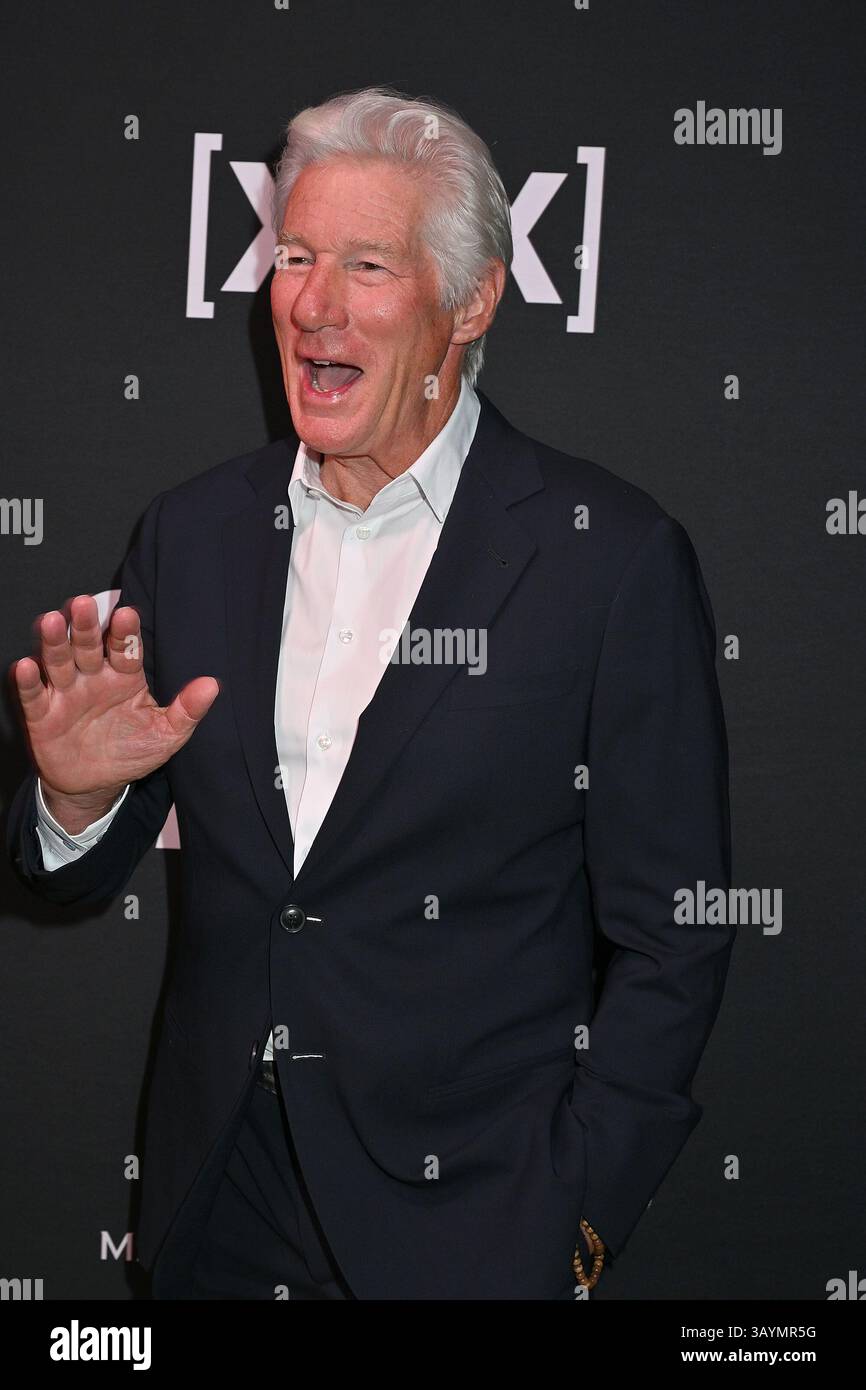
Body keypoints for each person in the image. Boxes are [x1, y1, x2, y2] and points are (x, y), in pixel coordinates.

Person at [6, 86, 734, 1300]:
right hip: (216, 1205)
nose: (313, 303)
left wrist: (575, 1220)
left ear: (469, 302)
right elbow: (77, 871)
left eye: (366, 265)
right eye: (293, 256)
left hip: (470, 1228)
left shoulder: (602, 558)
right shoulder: (190, 536)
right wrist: (75, 800)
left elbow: (676, 931)